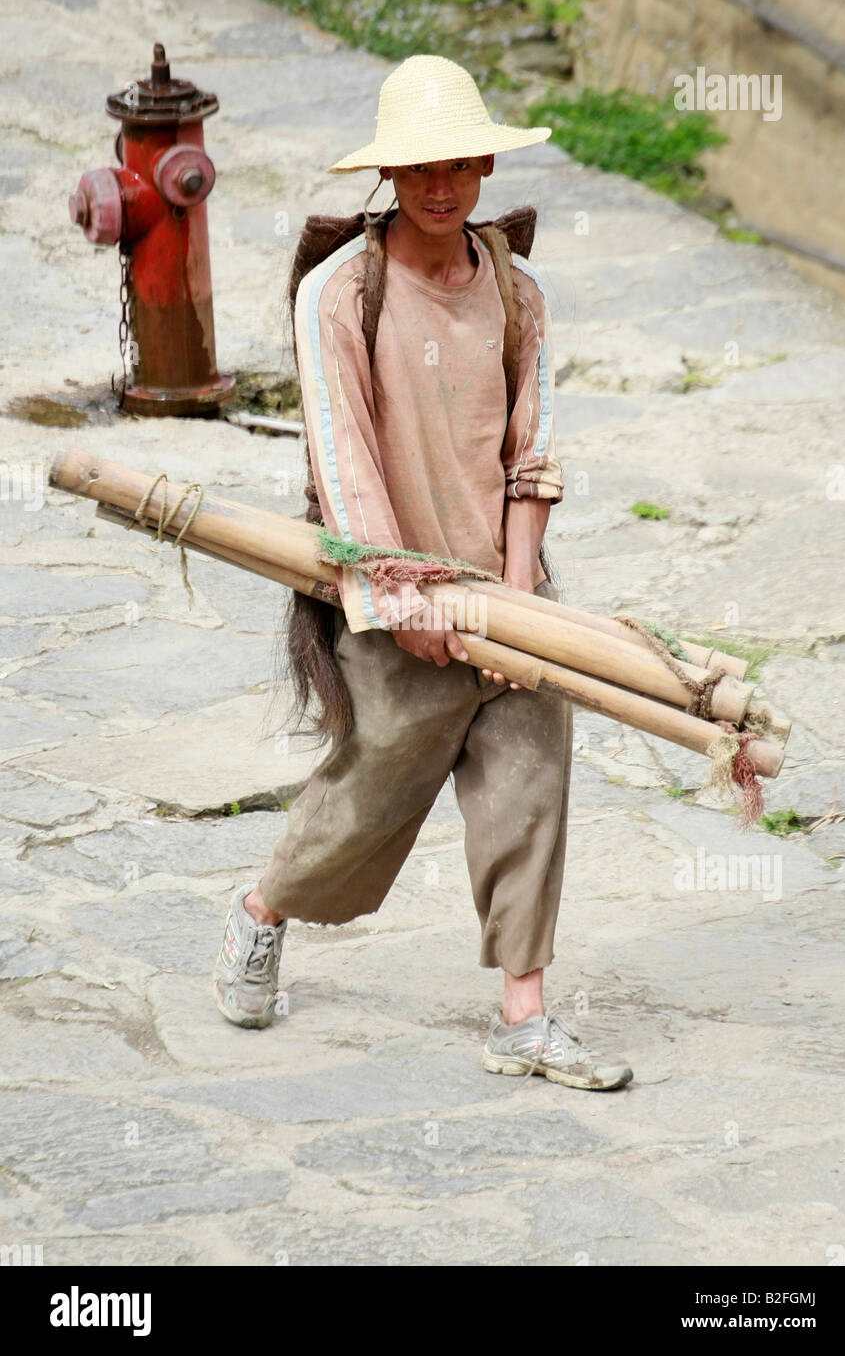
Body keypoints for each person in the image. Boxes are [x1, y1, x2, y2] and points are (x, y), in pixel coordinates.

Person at [214, 55, 633, 1090]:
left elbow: (530, 454)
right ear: (388, 176)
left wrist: (517, 593)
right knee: (373, 788)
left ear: (484, 163)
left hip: (502, 588)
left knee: (530, 775)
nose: (437, 187)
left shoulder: (518, 293)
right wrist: (400, 598)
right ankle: (263, 908)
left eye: (455, 164)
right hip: (383, 587)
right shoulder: (338, 295)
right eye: (415, 169)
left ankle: (523, 1012)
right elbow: (342, 457)